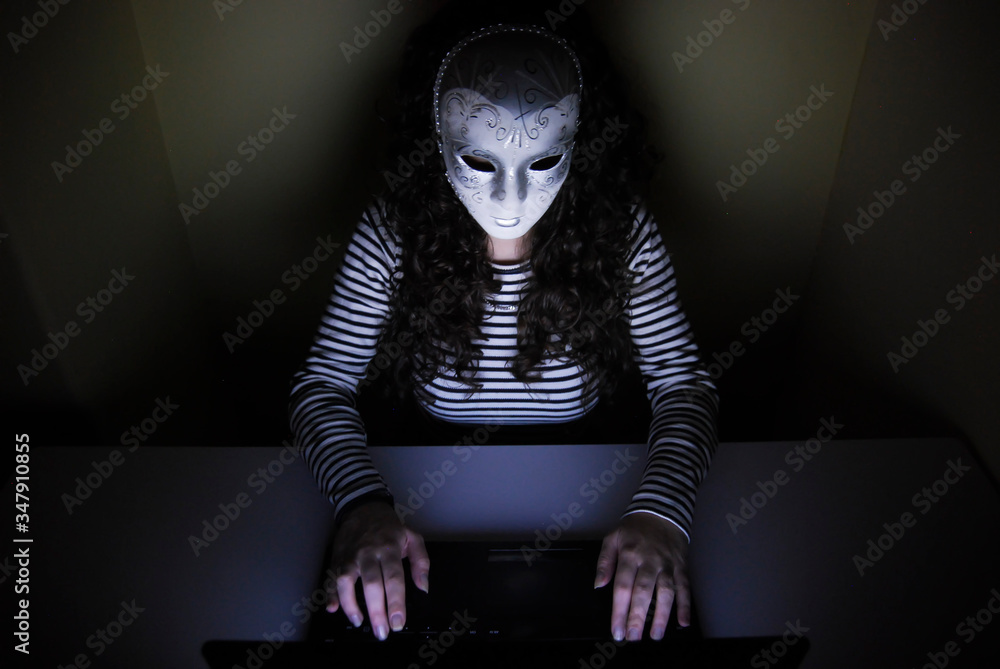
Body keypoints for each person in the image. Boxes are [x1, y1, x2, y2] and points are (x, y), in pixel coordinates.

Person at [289, 3, 718, 645]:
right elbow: (321, 387)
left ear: (576, 140)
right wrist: (361, 505)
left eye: (542, 162)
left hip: (588, 471)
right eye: (482, 162)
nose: (510, 201)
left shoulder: (621, 234)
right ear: (437, 137)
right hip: (428, 475)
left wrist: (661, 515)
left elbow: (683, 387)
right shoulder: (392, 235)